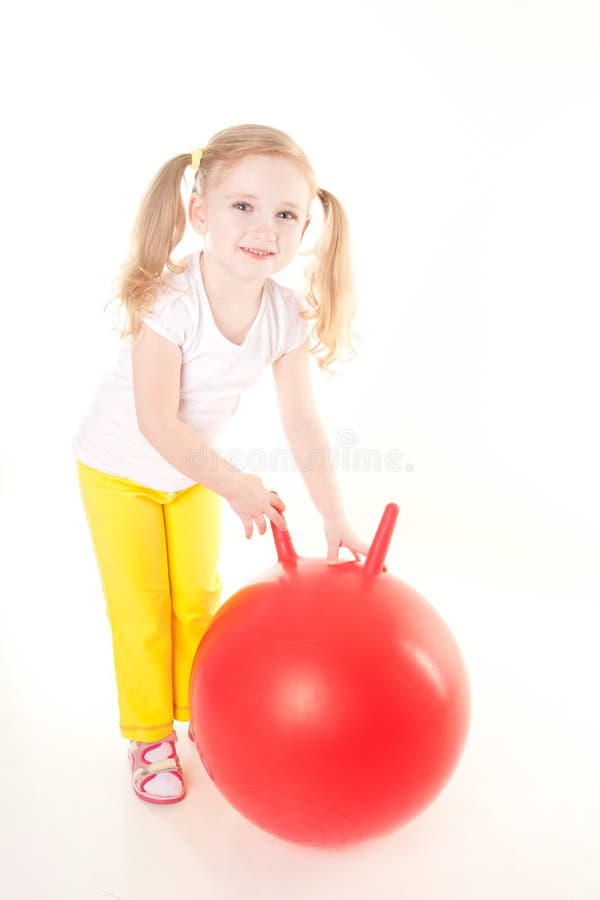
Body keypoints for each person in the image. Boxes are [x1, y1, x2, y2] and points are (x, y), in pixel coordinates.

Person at [72, 122, 370, 805]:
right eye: (243, 205)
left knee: (197, 601)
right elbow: (155, 420)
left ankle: (199, 713)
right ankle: (150, 734)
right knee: (143, 607)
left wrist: (334, 518)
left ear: (306, 227)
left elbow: (301, 421)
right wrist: (236, 483)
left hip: (190, 476)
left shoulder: (284, 315)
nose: (265, 227)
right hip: (119, 471)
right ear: (200, 213)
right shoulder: (171, 302)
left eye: (286, 213)